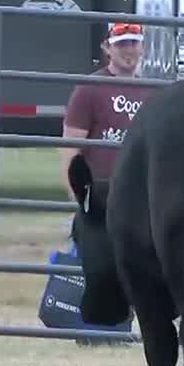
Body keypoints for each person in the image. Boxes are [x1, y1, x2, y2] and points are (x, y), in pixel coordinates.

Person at [58, 21, 155, 345]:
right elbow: (71, 145)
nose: (128, 50)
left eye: (134, 43)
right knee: (97, 265)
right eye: (122, 44)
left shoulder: (153, 89)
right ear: (107, 48)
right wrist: (76, 194)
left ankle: (123, 330)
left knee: (136, 268)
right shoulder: (89, 89)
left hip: (140, 199)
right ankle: (93, 332)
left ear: (142, 47)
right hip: (98, 198)